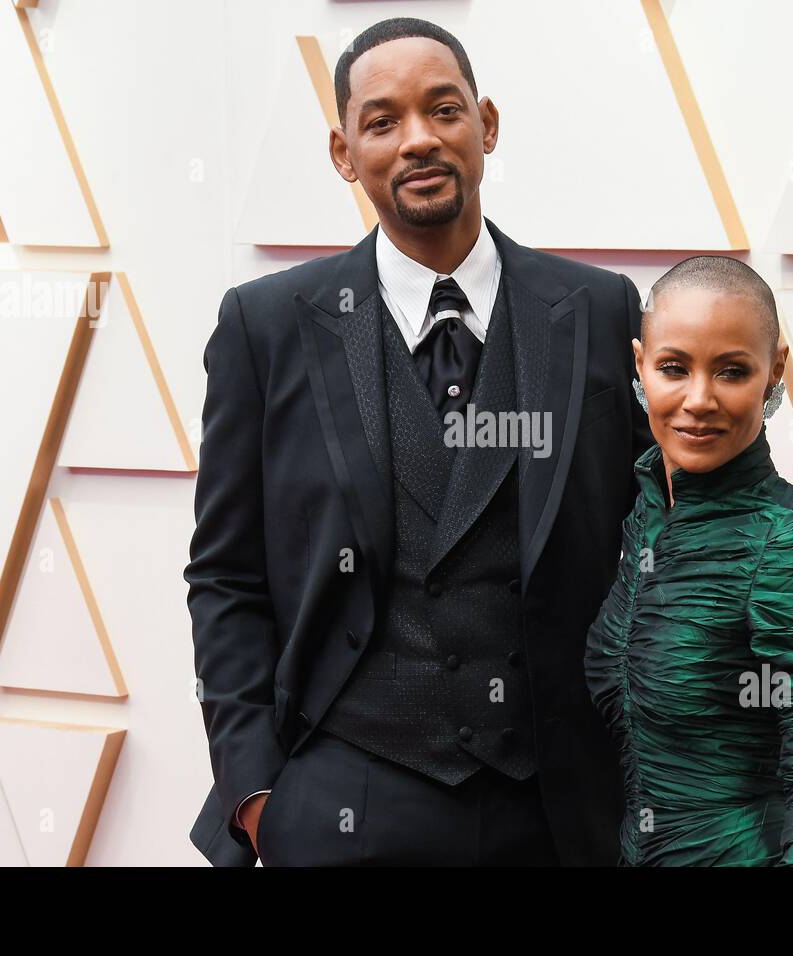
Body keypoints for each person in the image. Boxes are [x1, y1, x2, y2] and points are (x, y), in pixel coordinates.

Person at [185, 16, 653, 866]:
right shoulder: (265, 326)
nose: (418, 141)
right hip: (341, 802)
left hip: (557, 810)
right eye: (382, 121)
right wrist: (257, 795)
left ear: (487, 125)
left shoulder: (600, 310)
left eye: (444, 111)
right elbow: (225, 573)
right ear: (342, 150)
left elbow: (663, 538)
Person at [584, 255, 793, 866]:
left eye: (732, 371)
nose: (699, 400)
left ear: (776, 372)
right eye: (673, 368)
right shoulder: (643, 518)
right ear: (640, 366)